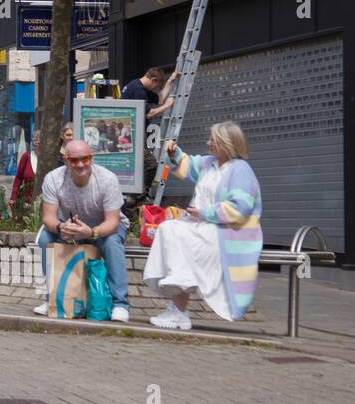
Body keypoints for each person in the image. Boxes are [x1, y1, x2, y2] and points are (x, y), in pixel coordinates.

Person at [144, 124, 263, 330]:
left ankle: (178, 309)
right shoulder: (210, 163)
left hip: (225, 232)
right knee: (169, 229)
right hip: (199, 226)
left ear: (226, 145)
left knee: (176, 234)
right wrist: (174, 153)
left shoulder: (241, 170)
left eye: (213, 140)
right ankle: (178, 308)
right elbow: (188, 164)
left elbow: (241, 208)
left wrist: (205, 212)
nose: (208, 143)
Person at [33, 139, 130, 322]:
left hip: (104, 228)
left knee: (111, 243)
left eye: (84, 159)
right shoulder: (53, 178)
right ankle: (52, 299)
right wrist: (61, 227)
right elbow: (48, 217)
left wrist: (91, 233)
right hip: (71, 227)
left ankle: (120, 304)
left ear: (91, 158)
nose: (80, 164)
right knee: (46, 238)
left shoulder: (107, 179)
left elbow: (113, 222)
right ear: (66, 160)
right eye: (74, 160)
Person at [10, 132, 40, 206]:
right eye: (36, 142)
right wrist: (13, 197)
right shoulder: (26, 157)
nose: (37, 145)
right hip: (27, 203)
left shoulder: (49, 160)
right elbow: (18, 178)